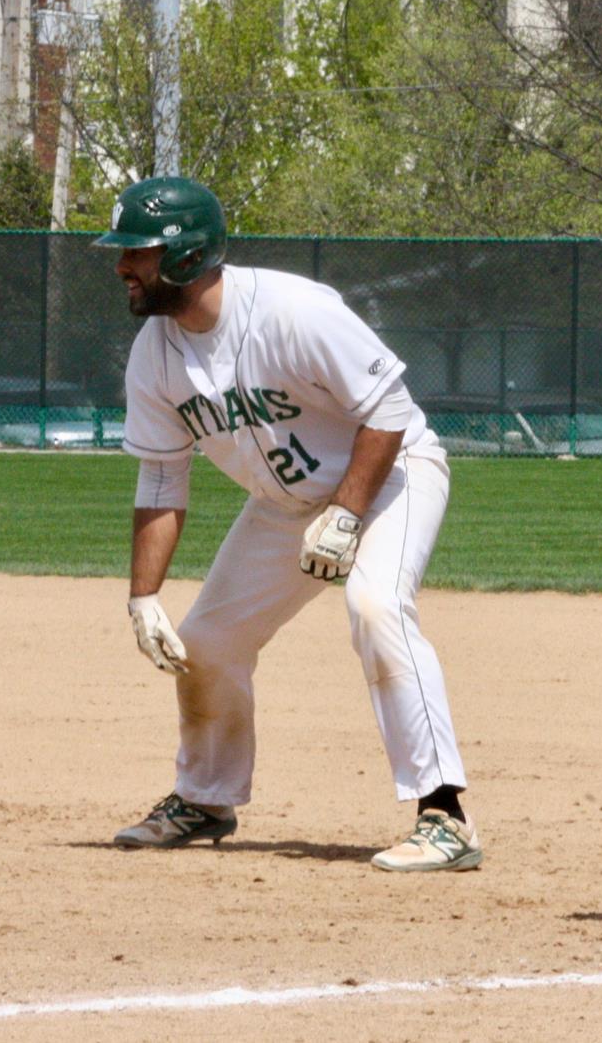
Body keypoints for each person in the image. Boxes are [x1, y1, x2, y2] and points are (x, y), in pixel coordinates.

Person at [94, 176, 481, 873]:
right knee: (207, 641)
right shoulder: (155, 353)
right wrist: (143, 595)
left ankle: (445, 816)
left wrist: (346, 513)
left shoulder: (292, 310)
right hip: (286, 504)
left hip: (391, 476)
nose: (122, 266)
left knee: (375, 605)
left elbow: (388, 410)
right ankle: (206, 800)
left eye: (137, 252)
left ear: (184, 256)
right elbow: (160, 476)